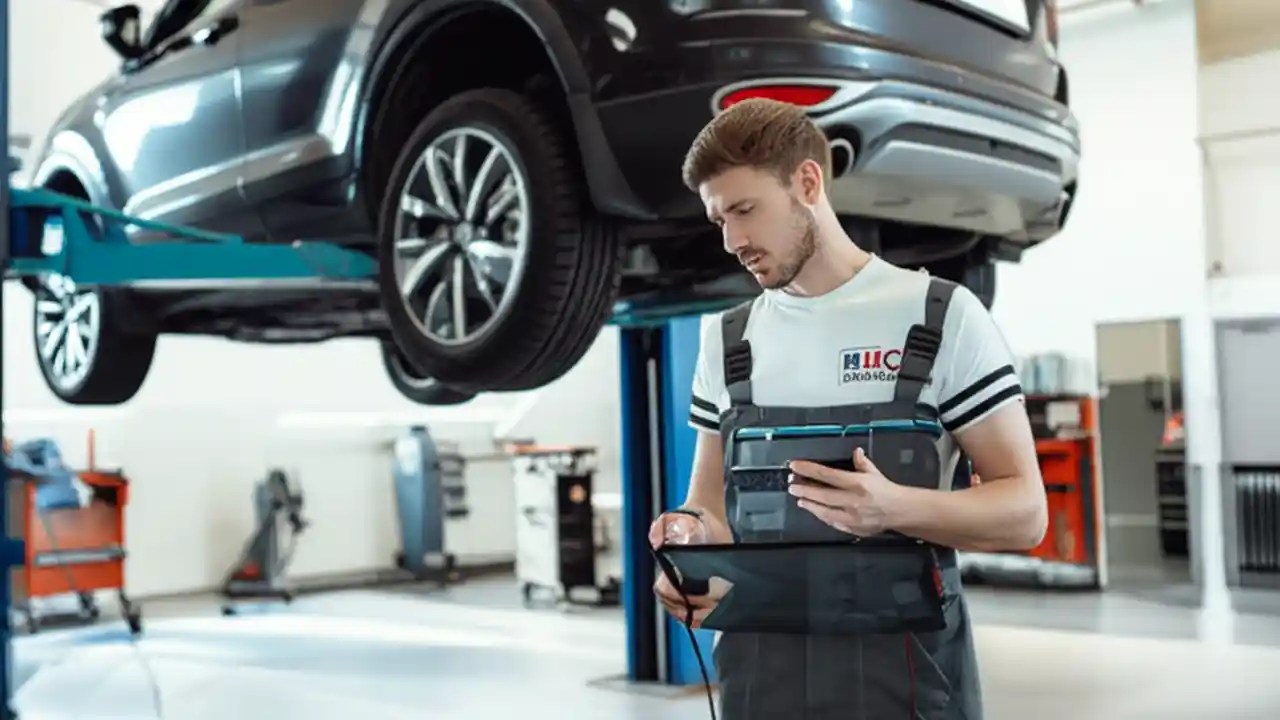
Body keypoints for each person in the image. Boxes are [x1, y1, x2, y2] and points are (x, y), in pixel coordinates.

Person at [648, 98, 1048, 719]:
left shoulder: (940, 317)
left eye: (745, 210)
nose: (732, 241)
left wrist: (896, 507)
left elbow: (1025, 513)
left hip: (908, 681)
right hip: (761, 679)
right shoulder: (727, 341)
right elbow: (709, 507)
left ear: (807, 182)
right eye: (718, 219)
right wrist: (689, 540)